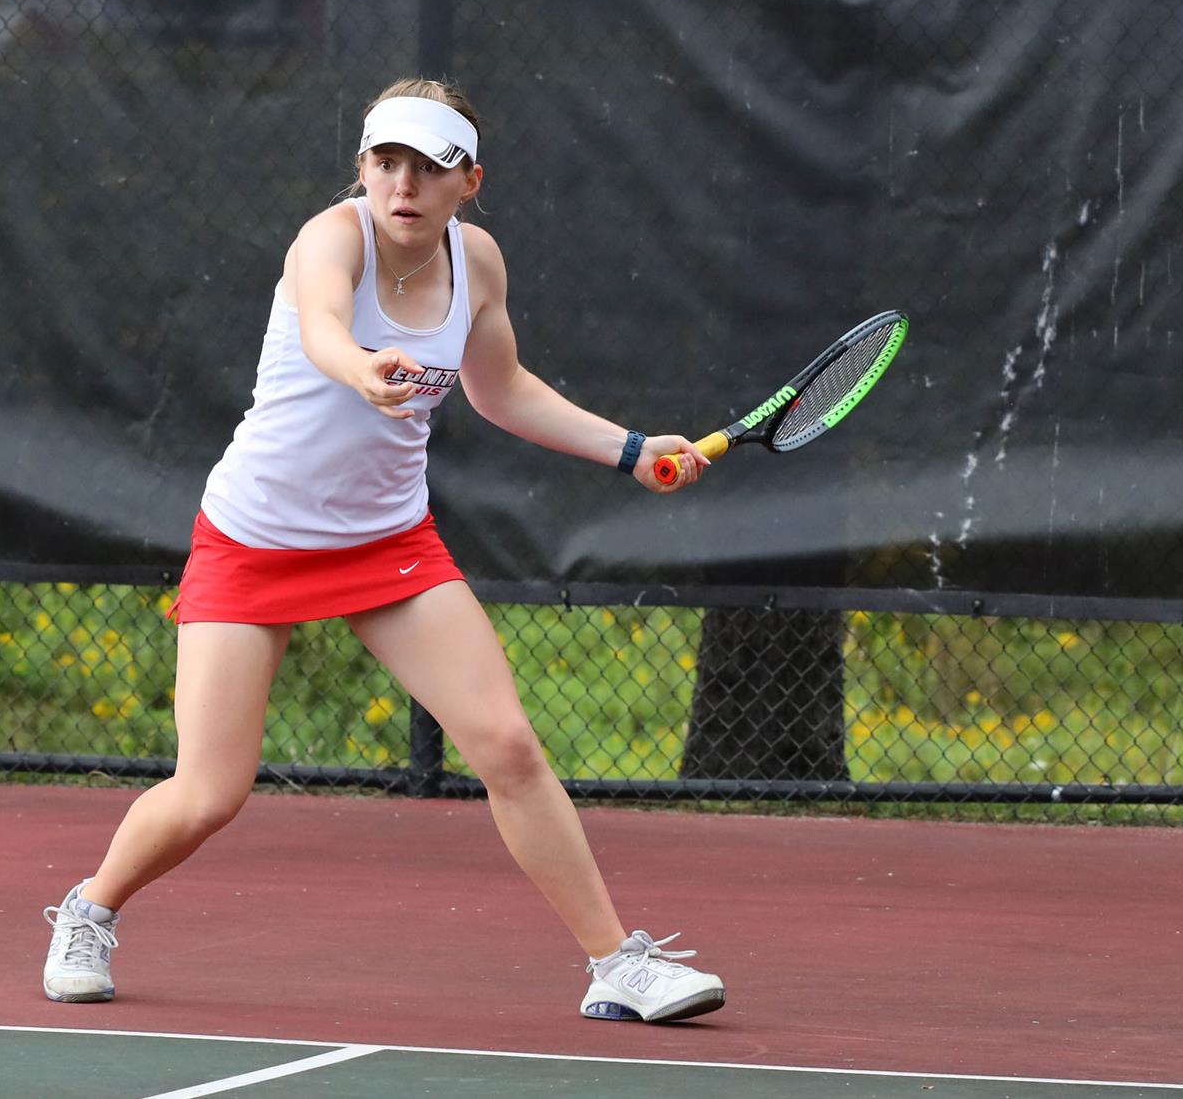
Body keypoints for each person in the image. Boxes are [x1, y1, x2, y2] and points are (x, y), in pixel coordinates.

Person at [41, 78, 724, 1024]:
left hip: (387, 541)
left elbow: (502, 387)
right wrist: (361, 365)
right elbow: (323, 321)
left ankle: (617, 962)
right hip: (254, 536)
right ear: (362, 167)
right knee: (209, 791)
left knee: (510, 746)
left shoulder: (477, 264)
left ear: (467, 181)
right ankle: (89, 908)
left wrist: (629, 449)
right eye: (384, 162)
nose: (401, 184)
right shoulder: (332, 238)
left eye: (427, 167)